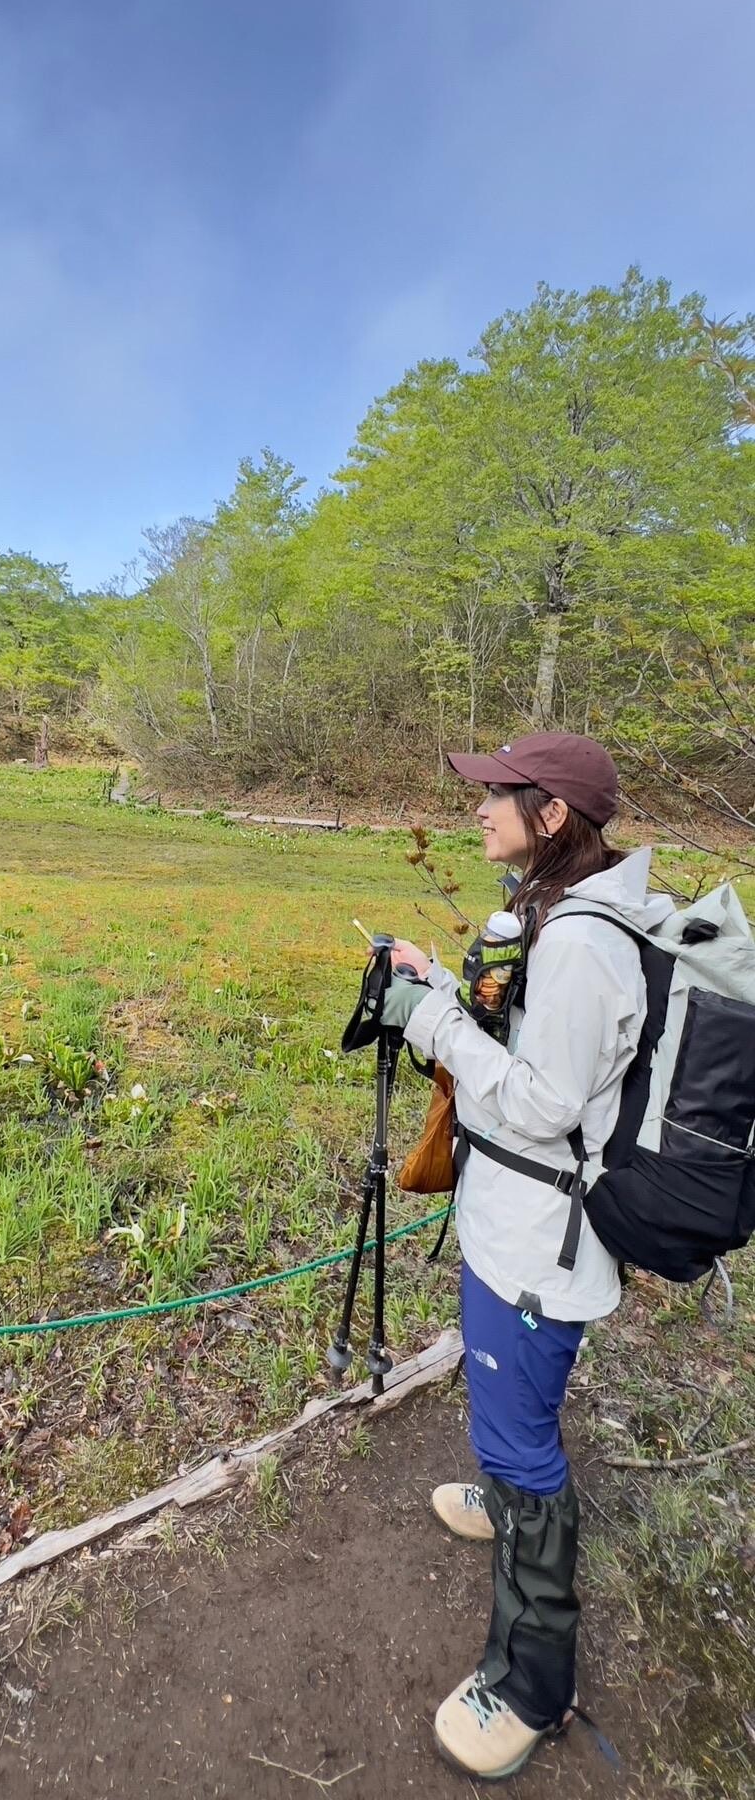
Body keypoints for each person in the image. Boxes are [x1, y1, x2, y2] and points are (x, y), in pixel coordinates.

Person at [378, 732, 673, 1782]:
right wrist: (447, 993)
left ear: (553, 817)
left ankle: (533, 1683)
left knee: (521, 1449)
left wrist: (433, 1027)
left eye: (498, 797)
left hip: (538, 1247)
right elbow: (537, 1056)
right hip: (519, 1225)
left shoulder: (585, 943)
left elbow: (545, 1106)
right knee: (513, 1412)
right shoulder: (560, 915)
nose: (479, 810)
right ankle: (504, 1494)